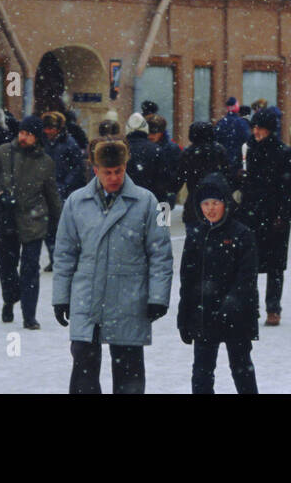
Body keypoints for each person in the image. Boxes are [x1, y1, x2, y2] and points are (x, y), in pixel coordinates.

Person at [53, 140, 173, 394]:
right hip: (87, 297)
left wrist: (158, 297)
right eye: (107, 172)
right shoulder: (76, 202)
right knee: (83, 363)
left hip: (129, 297)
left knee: (129, 368)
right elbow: (64, 254)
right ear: (95, 170)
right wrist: (61, 297)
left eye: (118, 170)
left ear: (125, 167)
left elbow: (161, 254)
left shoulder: (147, 201)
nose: (114, 177)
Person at [176, 174, 259, 394]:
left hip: (236, 316)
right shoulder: (196, 235)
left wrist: (232, 304)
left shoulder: (242, 234)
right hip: (204, 314)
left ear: (226, 203)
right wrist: (184, 316)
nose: (210, 209)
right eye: (206, 204)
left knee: (241, 368)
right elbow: (187, 280)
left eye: (216, 203)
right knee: (201, 373)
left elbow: (247, 278)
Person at [0, 114, 61, 329]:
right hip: (8, 219)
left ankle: (29, 316)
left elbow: (52, 194)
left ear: (37, 137)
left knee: (30, 269)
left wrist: (60, 222)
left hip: (34, 221)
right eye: (22, 133)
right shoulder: (3, 153)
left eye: (29, 134)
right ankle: (9, 299)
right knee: (7, 266)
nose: (23, 137)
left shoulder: (45, 163)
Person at [239, 107, 291, 326]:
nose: (256, 132)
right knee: (249, 265)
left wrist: (284, 215)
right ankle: (251, 307)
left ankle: (273, 308)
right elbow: (244, 184)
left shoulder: (285, 154)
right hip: (251, 216)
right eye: (254, 127)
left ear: (270, 129)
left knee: (275, 266)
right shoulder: (249, 151)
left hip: (275, 218)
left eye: (260, 128)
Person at [43, 110, 87, 271]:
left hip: (64, 190)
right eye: (46, 128)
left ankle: (66, 259)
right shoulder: (44, 143)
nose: (48, 131)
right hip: (48, 190)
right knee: (49, 228)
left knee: (64, 227)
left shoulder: (69, 143)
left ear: (59, 128)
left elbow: (77, 168)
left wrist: (65, 185)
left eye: (51, 128)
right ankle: (54, 258)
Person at [178, 121, 241, 225]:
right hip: (217, 197)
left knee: (195, 227)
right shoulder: (219, 150)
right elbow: (228, 174)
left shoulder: (188, 152)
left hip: (194, 199)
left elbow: (180, 176)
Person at [145, 114, 182, 205]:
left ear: (161, 133)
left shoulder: (172, 149)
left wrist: (170, 190)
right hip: (149, 193)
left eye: (154, 133)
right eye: (148, 133)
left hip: (163, 195)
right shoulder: (145, 147)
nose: (150, 136)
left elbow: (178, 173)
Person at [215, 97, 252, 170]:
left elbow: (216, 140)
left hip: (223, 161)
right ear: (236, 106)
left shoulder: (221, 123)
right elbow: (247, 140)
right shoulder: (242, 123)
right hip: (237, 160)